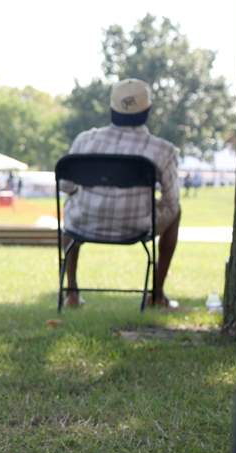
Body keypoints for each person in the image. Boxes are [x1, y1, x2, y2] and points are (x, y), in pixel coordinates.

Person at [61, 78, 181, 309]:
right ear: (147, 111)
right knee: (177, 212)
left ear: (112, 109)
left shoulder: (86, 140)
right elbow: (171, 201)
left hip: (83, 224)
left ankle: (72, 293)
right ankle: (156, 294)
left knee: (70, 207)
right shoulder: (163, 150)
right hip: (136, 227)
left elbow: (66, 185)